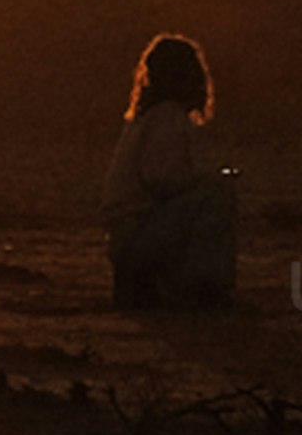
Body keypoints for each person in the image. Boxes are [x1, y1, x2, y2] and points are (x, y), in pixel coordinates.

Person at [102, 30, 240, 311]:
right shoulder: (166, 116)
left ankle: (169, 286)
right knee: (218, 195)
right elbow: (160, 178)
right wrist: (205, 180)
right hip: (136, 235)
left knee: (209, 193)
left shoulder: (146, 118)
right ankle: (203, 291)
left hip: (126, 235)